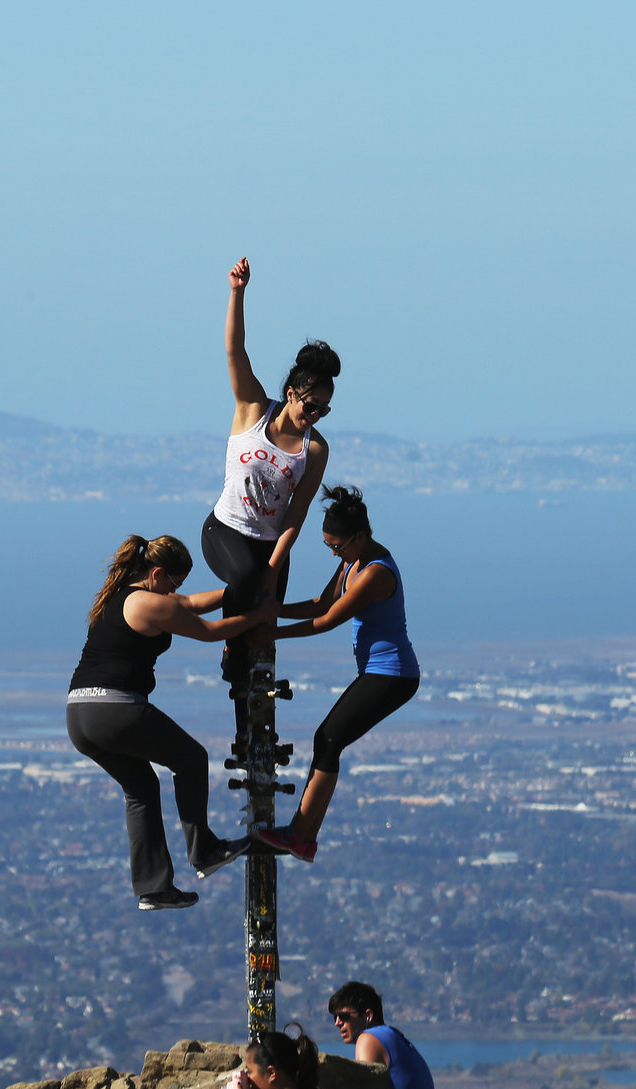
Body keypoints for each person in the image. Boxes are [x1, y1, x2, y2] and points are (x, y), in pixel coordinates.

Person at [67, 533, 273, 910]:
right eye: (174, 582)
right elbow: (209, 632)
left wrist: (239, 590)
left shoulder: (123, 595)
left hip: (80, 716)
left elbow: (191, 604)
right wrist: (256, 617)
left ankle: (153, 887)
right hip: (115, 709)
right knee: (190, 758)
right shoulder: (148, 604)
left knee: (142, 787)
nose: (177, 590)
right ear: (158, 573)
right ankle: (205, 851)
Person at [206, 256, 337, 750]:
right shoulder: (253, 410)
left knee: (263, 633)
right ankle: (228, 651)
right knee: (242, 582)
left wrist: (276, 564)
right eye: (309, 404)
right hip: (225, 530)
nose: (314, 415)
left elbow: (297, 511)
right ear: (291, 394)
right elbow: (234, 350)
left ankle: (252, 734)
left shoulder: (316, 451)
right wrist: (237, 293)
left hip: (270, 545)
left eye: (323, 409)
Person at [251, 486, 419, 864]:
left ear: (360, 536)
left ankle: (302, 834)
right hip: (378, 673)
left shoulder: (376, 573)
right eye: (328, 546)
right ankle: (303, 837)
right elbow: (322, 602)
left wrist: (271, 632)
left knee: (328, 738)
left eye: (337, 546)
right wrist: (271, 612)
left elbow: (327, 620)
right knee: (327, 740)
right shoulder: (351, 562)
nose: (333, 553)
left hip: (393, 675)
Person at [326, 981, 436, 1089]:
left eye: (344, 1016)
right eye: (335, 1017)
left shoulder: (369, 1038)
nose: (337, 1023)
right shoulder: (392, 1037)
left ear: (368, 1015)